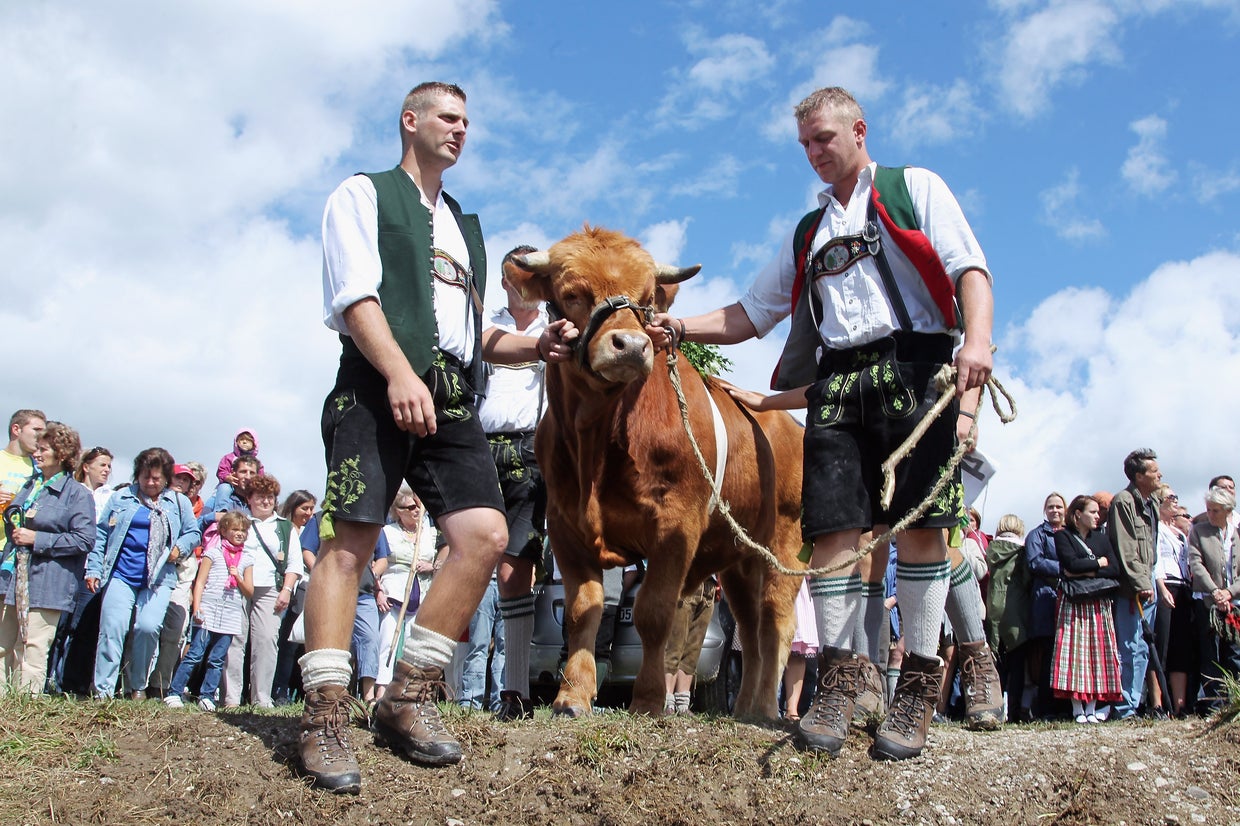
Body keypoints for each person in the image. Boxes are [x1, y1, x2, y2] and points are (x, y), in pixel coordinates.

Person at [649, 86, 994, 760]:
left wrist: (975, 343)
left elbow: (969, 269)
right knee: (831, 531)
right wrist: (679, 326)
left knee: (921, 531)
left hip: (917, 365)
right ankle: (837, 680)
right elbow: (751, 314)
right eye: (805, 144)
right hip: (837, 382)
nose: (813, 154)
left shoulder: (911, 186)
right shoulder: (808, 232)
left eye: (823, 140)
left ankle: (918, 688)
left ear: (858, 131)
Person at [301, 80, 577, 792]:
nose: (460, 130)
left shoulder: (460, 223)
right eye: (448, 118)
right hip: (376, 380)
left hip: (453, 396)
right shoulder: (363, 195)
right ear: (410, 120)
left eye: (467, 122)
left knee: (485, 535)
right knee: (351, 544)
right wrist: (397, 373)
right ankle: (326, 718)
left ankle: (406, 698)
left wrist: (536, 344)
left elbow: (474, 335)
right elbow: (355, 299)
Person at [481, 245, 551, 722]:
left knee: (514, 569)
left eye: (532, 277)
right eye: (514, 276)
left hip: (532, 451)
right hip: (481, 446)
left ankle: (516, 690)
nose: (522, 284)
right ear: (504, 281)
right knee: (468, 557)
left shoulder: (558, 329)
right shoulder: (483, 322)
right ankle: (427, 685)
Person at [86, 448, 201, 700]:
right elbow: (101, 535)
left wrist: (179, 548)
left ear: (166, 479)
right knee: (112, 627)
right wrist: (94, 568)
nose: (150, 483)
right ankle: (103, 690)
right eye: (146, 477)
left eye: (157, 478)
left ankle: (136, 685)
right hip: (121, 573)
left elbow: (193, 533)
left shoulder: (178, 503)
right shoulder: (121, 498)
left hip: (159, 578)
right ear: (137, 475)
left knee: (148, 628)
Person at [0, 422, 94, 693]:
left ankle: (25, 715)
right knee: (3, 645)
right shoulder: (31, 484)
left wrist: (37, 539)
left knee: (32, 649)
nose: (37, 454)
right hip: (13, 576)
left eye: (44, 449)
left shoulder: (77, 494)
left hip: (49, 582)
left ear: (62, 454)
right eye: (37, 448)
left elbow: (84, 540)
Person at [219, 474, 304, 708]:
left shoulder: (285, 528)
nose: (265, 502)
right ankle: (231, 698)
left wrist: (286, 590)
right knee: (235, 640)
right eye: (260, 497)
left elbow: (294, 564)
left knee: (266, 641)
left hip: (270, 589)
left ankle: (261, 698)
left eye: (270, 497)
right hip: (237, 587)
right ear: (250, 498)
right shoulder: (240, 522)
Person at [165, 510, 255, 711]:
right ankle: (175, 691)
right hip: (208, 610)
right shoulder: (212, 554)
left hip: (230, 614)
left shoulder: (247, 559)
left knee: (217, 658)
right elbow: (200, 582)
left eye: (243, 530)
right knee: (195, 654)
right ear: (223, 530)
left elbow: (249, 591)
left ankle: (207, 695)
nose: (239, 533)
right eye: (235, 529)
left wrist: (238, 577)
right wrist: (197, 607)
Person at [1050, 495, 1123, 723]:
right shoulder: (1063, 536)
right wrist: (1098, 563)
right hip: (1074, 601)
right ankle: (1076, 708)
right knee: (1073, 653)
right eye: (1092, 512)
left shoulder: (1101, 538)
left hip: (1097, 601)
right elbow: (1070, 564)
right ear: (1078, 514)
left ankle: (1092, 707)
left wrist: (1089, 570)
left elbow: (1115, 569)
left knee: (1097, 652)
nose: (1097, 516)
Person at [1107, 448, 1161, 719]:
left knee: (1143, 647)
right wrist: (1141, 582)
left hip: (1148, 579)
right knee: (1129, 647)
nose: (1159, 474)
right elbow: (1126, 547)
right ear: (1139, 476)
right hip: (1134, 586)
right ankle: (1124, 708)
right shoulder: (1124, 502)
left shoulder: (1152, 504)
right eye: (1153, 471)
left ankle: (1134, 703)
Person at [376, 489, 436, 695]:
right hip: (392, 591)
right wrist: (378, 591)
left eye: (417, 506)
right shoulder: (387, 532)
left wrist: (432, 566)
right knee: (386, 641)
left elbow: (441, 558)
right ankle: (381, 690)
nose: (416, 510)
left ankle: (408, 690)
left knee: (414, 643)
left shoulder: (428, 531)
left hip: (421, 593)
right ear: (398, 511)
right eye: (410, 507)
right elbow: (377, 560)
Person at [1187, 486, 1240, 712]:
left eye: (1215, 510)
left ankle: (1234, 700)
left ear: (1228, 511)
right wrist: (1216, 591)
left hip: (1234, 604)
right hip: (1207, 603)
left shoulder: (1238, 534)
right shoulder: (1199, 531)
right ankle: (1214, 705)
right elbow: (1196, 564)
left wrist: (1230, 592)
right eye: (1208, 510)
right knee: (1211, 653)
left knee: (1235, 653)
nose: (1210, 514)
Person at [984, 514, 1032, 723]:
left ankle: (995, 709)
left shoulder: (991, 550)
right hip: (1016, 609)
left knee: (997, 663)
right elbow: (1027, 579)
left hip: (993, 606)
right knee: (1017, 664)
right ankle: (1014, 713)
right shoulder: (1021, 552)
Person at [272, 489, 318, 705]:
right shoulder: (286, 528)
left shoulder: (312, 529)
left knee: (302, 644)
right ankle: (279, 689)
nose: (309, 513)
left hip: (308, 587)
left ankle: (299, 691)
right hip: (291, 589)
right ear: (293, 507)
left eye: (311, 508)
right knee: (287, 644)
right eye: (304, 508)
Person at [1024, 492, 1066, 719]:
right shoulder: (1037, 535)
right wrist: (1066, 567)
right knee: (1047, 657)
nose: (1055, 511)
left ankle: (1064, 707)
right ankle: (1044, 708)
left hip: (1068, 600)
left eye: (1059, 507)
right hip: (1046, 599)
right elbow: (1034, 562)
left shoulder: (1070, 534)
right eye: (1051, 507)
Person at [1153, 489, 1194, 717]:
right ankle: (1158, 703)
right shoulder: (1155, 529)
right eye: (1170, 497)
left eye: (1177, 497)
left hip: (1183, 587)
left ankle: (1179, 705)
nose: (1175, 501)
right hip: (1166, 585)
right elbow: (1155, 558)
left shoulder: (1179, 533)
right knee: (1162, 645)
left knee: (1181, 648)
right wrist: (1161, 587)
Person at [663, 578, 717, 715]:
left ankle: (682, 704)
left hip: (709, 586)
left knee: (693, 651)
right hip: (686, 579)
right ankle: (666, 701)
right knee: (674, 646)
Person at [1, 410, 46, 553]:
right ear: (16, 429)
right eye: (37, 430)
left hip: (17, 551)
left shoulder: (40, 469)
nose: (41, 436)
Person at [783, 577, 820, 722]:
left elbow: (808, 557)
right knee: (765, 652)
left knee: (797, 654)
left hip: (796, 582)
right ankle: (765, 705)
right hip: (767, 576)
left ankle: (791, 710)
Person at [214, 429, 261, 499]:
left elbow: (261, 477)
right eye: (241, 440)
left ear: (254, 444)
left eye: (248, 440)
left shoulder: (256, 463)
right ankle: (222, 509)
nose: (244, 442)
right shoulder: (229, 457)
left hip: (248, 489)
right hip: (230, 485)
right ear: (236, 442)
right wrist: (227, 477)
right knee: (224, 488)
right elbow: (221, 471)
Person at [75, 446, 115, 518]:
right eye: (102, 465)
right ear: (86, 467)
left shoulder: (113, 497)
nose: (107, 470)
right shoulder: (73, 493)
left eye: (109, 466)